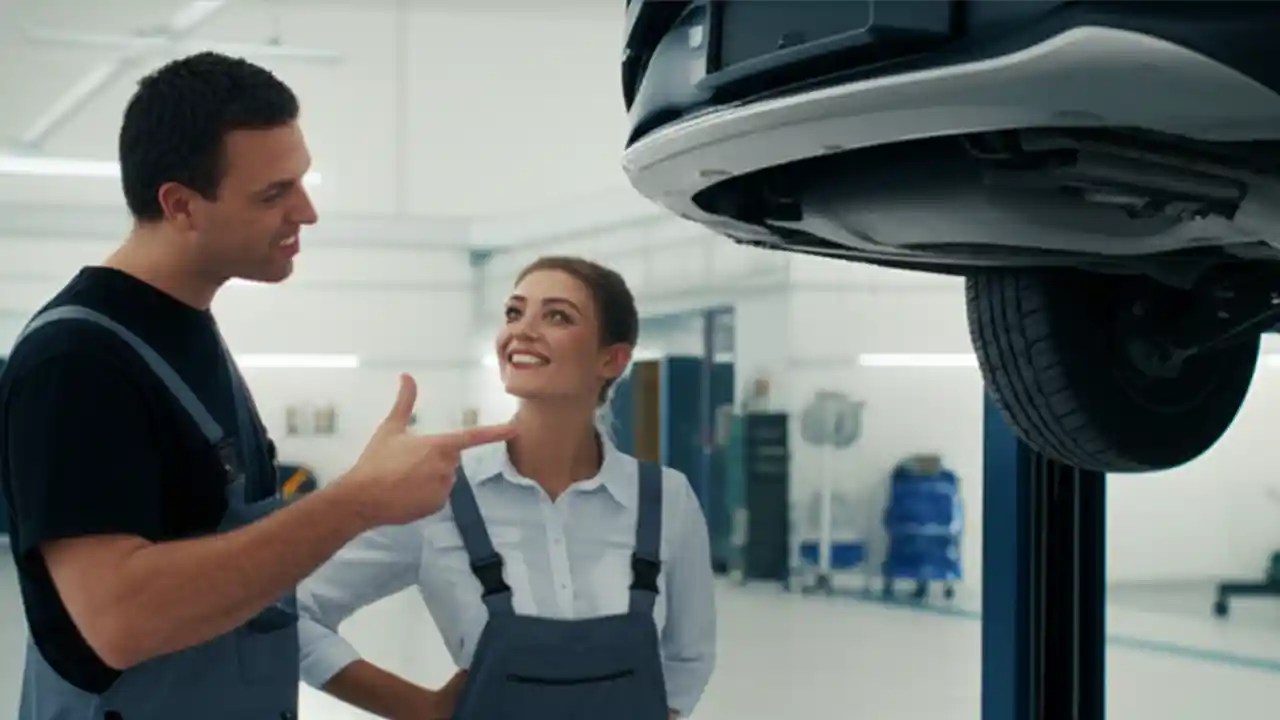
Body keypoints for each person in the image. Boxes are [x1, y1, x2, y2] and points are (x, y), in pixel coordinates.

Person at [0, 51, 515, 720]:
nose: (307, 212)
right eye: (274, 194)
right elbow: (119, 619)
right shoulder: (74, 364)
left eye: (300, 180)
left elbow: (248, 589)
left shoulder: (188, 331)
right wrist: (356, 503)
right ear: (181, 205)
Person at [296, 256, 718, 719]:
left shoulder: (665, 499)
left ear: (612, 359)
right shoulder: (439, 495)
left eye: (557, 316)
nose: (522, 330)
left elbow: (688, 656)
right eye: (515, 313)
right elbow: (292, 611)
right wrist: (416, 708)